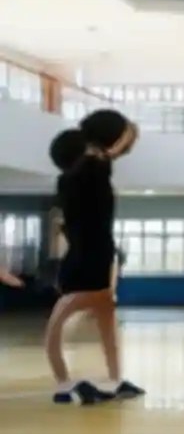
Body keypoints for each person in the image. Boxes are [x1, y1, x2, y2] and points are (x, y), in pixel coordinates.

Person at [44, 110, 145, 405]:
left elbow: (110, 153)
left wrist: (122, 135)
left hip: (97, 256)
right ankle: (62, 383)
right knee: (62, 318)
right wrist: (127, 131)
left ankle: (113, 378)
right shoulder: (87, 171)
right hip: (85, 261)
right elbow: (110, 151)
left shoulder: (82, 177)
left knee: (105, 316)